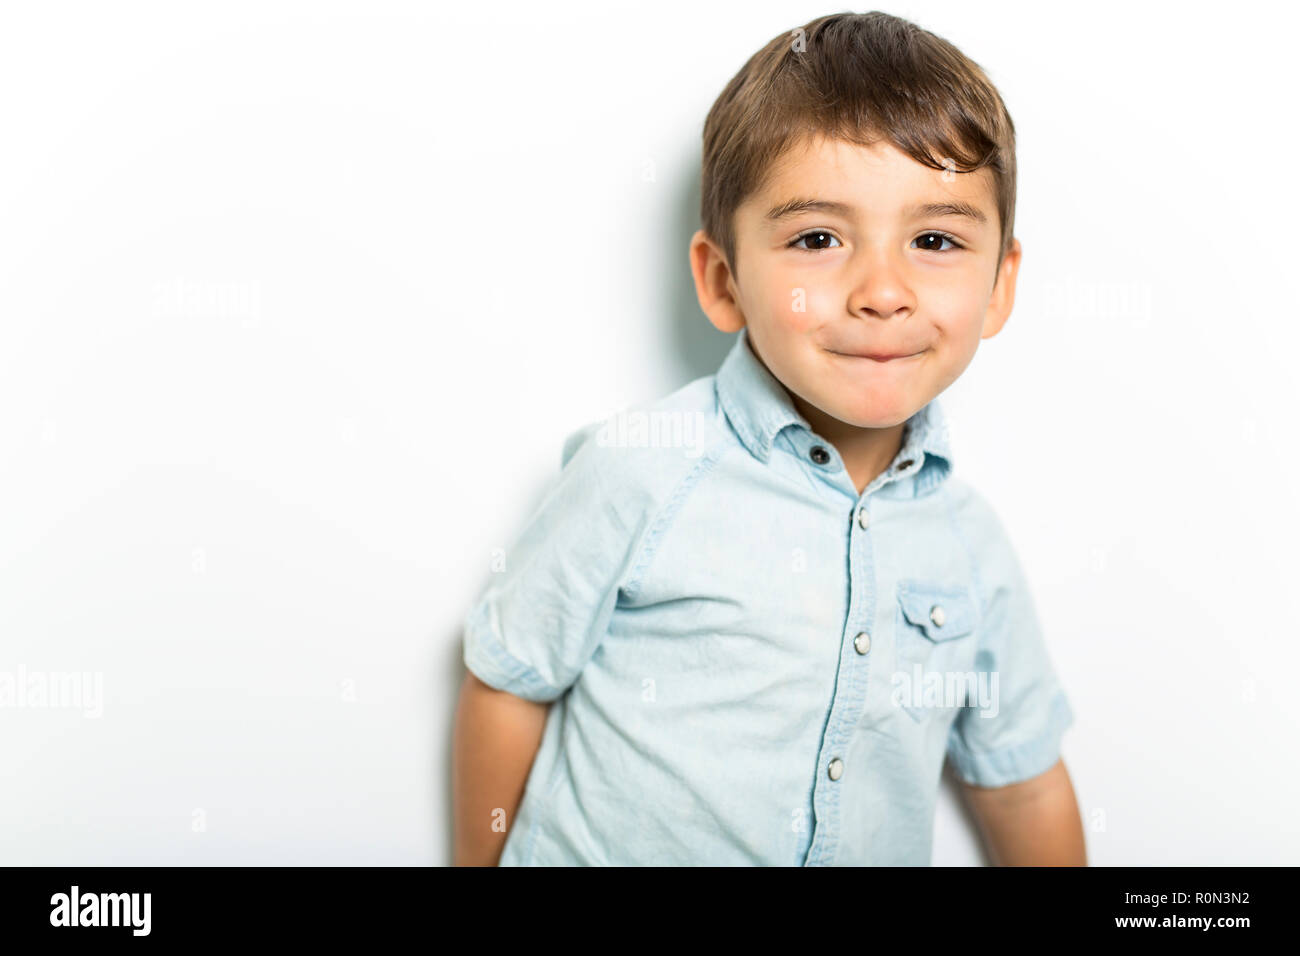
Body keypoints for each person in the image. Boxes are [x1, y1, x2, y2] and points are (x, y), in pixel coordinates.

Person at [452, 10, 1084, 866]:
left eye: (935, 239)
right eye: (818, 238)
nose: (882, 291)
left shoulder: (969, 547)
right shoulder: (643, 470)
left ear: (1000, 285)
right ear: (724, 281)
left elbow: (1024, 781)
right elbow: (509, 680)